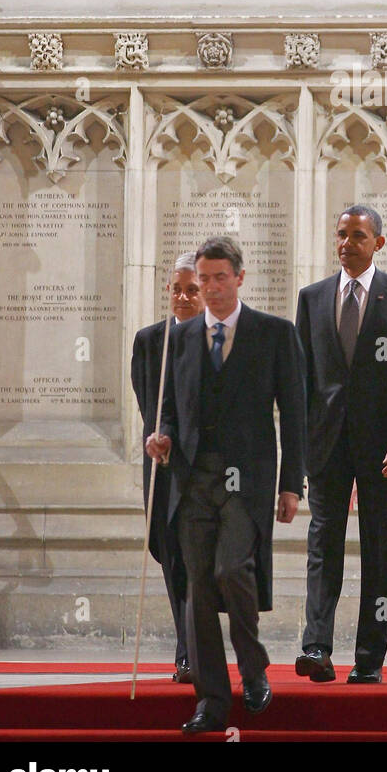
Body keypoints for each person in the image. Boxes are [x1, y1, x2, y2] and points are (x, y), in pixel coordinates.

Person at [146, 236, 306, 734]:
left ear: (239, 277)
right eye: (204, 279)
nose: (211, 288)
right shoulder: (183, 337)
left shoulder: (274, 334)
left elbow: (295, 412)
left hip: (248, 478)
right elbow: (170, 406)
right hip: (190, 479)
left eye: (220, 278)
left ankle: (253, 666)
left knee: (232, 568)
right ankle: (212, 701)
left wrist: (291, 485)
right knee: (196, 587)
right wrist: (162, 436)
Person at [294, 205, 387, 682]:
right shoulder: (311, 298)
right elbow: (303, 379)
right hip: (327, 445)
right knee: (322, 545)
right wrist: (301, 443)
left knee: (378, 550)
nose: (347, 243)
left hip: (384, 448)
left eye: (357, 235)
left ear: (379, 243)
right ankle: (316, 648)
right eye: (341, 235)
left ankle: (369, 659)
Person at [130, 252, 202, 682]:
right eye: (176, 288)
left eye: (191, 290)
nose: (182, 297)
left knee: (199, 561)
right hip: (162, 464)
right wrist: (158, 435)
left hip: (203, 467)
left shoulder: (218, 340)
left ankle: (190, 649)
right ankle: (186, 643)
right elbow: (147, 402)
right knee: (172, 557)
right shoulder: (149, 340)